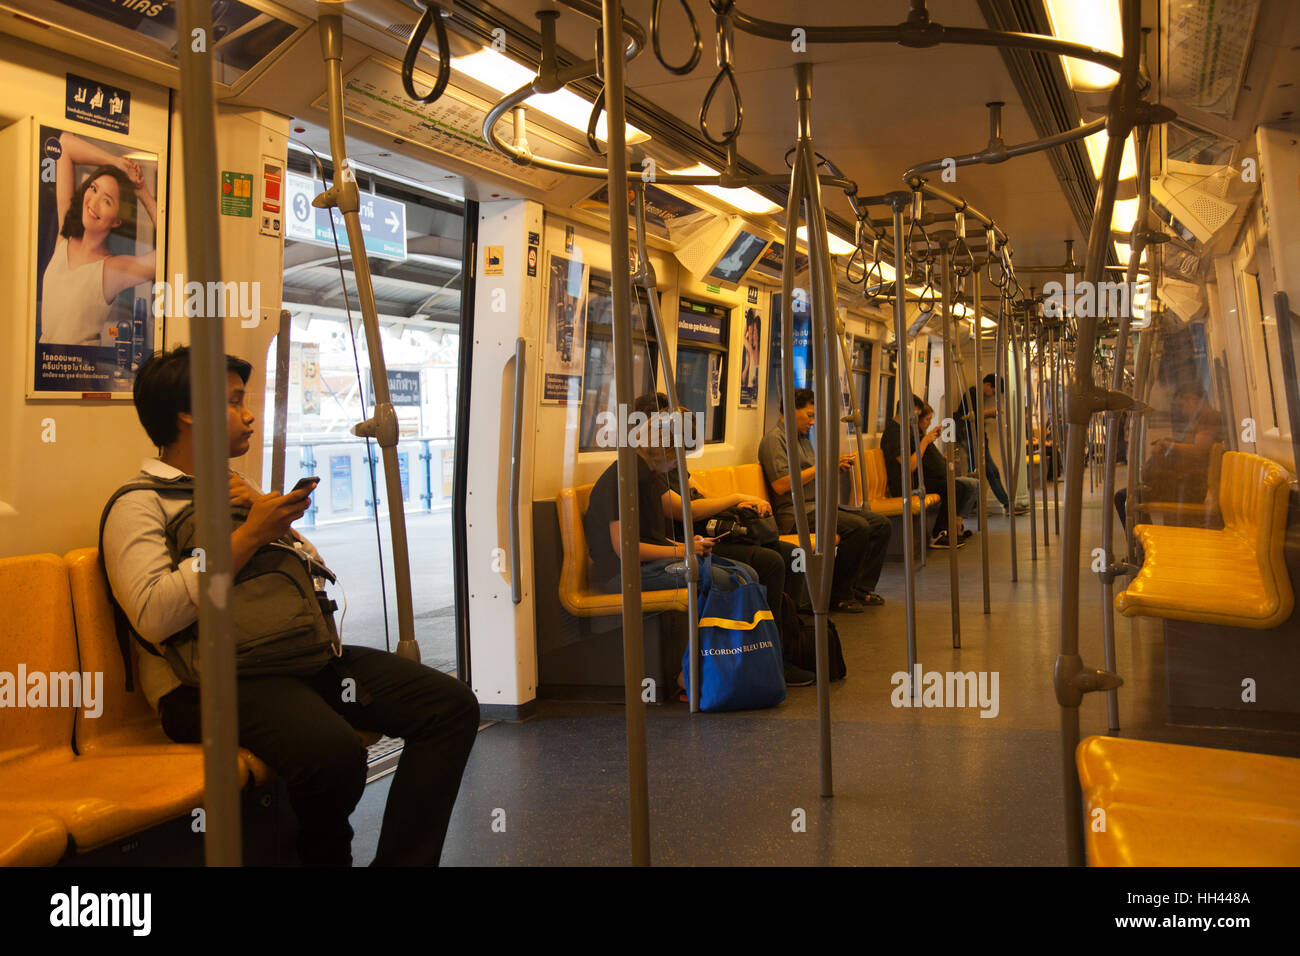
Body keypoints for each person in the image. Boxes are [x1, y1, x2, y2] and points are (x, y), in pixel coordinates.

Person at [100, 347, 479, 866]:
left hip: (295, 655)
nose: (250, 415)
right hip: (205, 682)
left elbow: (307, 571)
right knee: (335, 753)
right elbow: (153, 614)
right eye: (235, 402)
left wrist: (270, 525)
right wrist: (249, 534)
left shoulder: (238, 490)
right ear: (190, 412)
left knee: (449, 706)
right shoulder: (137, 504)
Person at [632, 393, 815, 686]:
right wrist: (736, 497)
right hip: (688, 536)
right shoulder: (649, 473)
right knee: (771, 563)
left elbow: (696, 493)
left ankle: (783, 643)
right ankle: (770, 654)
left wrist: (734, 508)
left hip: (705, 529)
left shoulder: (672, 463)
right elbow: (684, 510)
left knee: (785, 551)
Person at [758, 387, 892, 614]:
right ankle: (838, 595)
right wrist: (824, 466)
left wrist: (832, 469)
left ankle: (860, 587)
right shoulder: (774, 441)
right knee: (857, 528)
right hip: (795, 514)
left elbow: (810, 474)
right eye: (809, 415)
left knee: (880, 524)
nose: (812, 422)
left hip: (818, 507)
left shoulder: (802, 440)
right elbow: (781, 485)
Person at [40, 131, 157, 345]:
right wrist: (116, 163)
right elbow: (63, 144)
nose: (92, 202)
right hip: (42, 371)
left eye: (107, 201)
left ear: (117, 221)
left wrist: (143, 193)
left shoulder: (111, 270)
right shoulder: (64, 238)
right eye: (93, 189)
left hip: (77, 376)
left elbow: (175, 254)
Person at [1115, 380, 1225, 529]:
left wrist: (1168, 445)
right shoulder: (1200, 419)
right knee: (1128, 496)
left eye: (1183, 405)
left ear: (1192, 399)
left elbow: (1199, 451)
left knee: (1125, 498)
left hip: (1189, 489)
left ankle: (1142, 543)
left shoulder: (1209, 417)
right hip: (1183, 484)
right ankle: (1143, 539)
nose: (1183, 411)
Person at [881, 394, 980, 549]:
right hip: (904, 485)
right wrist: (925, 441)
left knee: (955, 486)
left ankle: (945, 529)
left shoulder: (905, 432)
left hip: (914, 480)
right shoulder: (894, 435)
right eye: (917, 414)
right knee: (953, 487)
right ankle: (938, 534)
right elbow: (909, 467)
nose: (917, 419)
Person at [957, 373, 1023, 515]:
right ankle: (1005, 505)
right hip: (972, 438)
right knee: (986, 472)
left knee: (989, 472)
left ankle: (978, 506)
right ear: (987, 384)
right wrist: (989, 413)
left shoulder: (976, 396)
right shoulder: (972, 394)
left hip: (978, 437)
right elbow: (969, 417)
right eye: (993, 391)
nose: (992, 395)